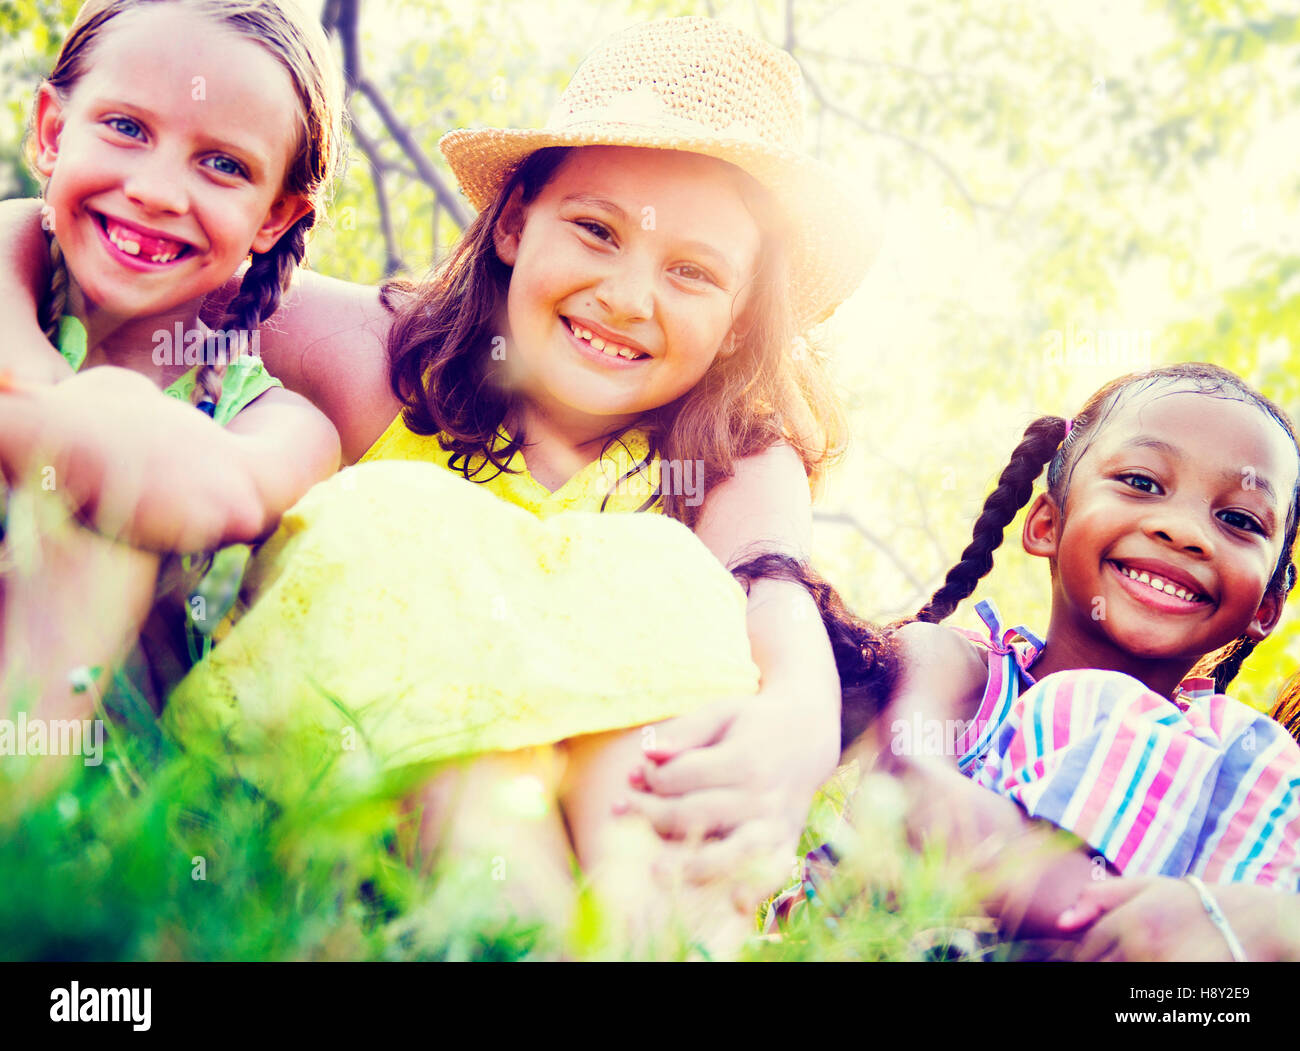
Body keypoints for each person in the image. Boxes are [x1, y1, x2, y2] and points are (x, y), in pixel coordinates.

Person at [121, 17, 872, 954]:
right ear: (514, 222)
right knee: (398, 516)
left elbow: (777, 596)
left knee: (668, 576)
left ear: (734, 323)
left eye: (691, 271)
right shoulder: (381, 360)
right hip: (404, 787)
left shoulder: (733, 457)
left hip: (620, 818)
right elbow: (124, 264)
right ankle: (523, 928)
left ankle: (654, 939)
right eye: (595, 230)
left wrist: (799, 724)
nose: (629, 297)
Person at [766, 364, 1300, 940]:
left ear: (1266, 607)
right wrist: (1115, 916)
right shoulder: (958, 665)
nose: (1185, 531)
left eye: (1239, 519)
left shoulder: (1233, 764)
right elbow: (909, 783)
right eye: (1142, 483)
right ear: (1046, 523)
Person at [0, 0, 345, 721]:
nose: (155, 192)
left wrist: (84, 424)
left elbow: (195, 489)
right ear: (53, 132)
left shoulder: (283, 423)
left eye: (222, 164)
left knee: (118, 513)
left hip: (92, 740)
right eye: (126, 127)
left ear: (275, 216)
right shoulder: (13, 262)